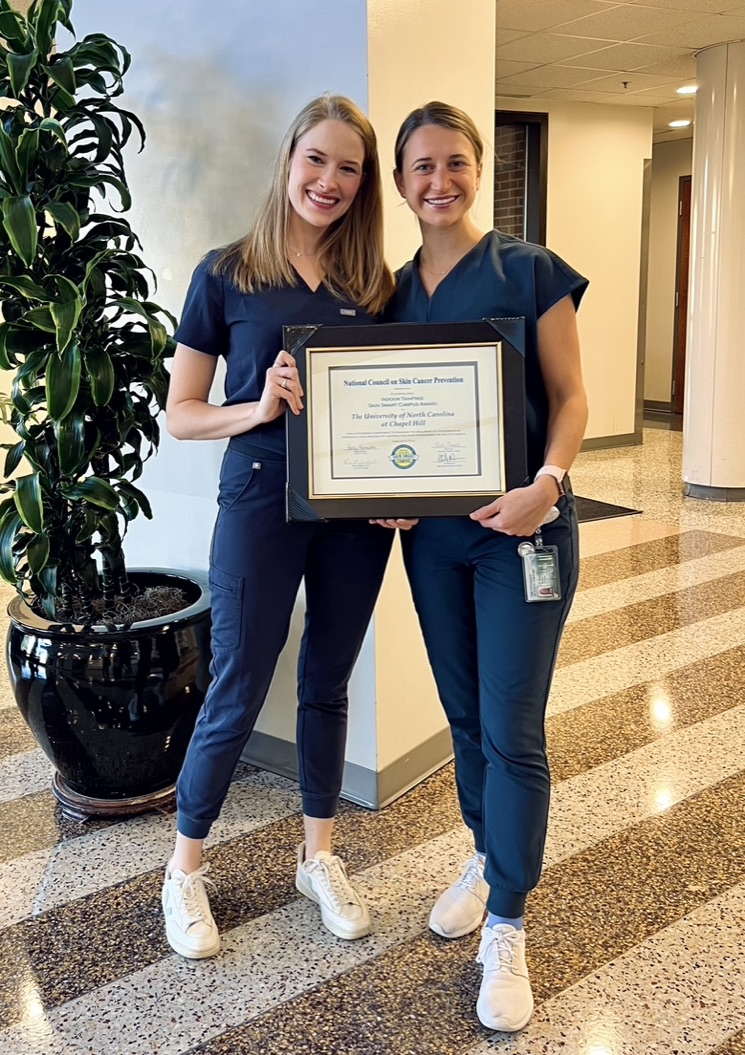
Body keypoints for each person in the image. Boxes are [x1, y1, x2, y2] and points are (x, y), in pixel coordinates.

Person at [161, 94, 400, 959]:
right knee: (237, 682)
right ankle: (183, 870)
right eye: (317, 159)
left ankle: (317, 857)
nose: (329, 181)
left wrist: (404, 484)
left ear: (363, 184)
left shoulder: (377, 286)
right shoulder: (226, 272)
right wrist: (255, 407)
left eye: (349, 169)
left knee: (327, 682)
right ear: (289, 158)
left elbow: (399, 401)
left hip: (354, 517)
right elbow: (181, 413)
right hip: (260, 500)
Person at [386, 102, 589, 1032]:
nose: (440, 181)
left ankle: (507, 919)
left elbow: (570, 397)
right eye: (421, 166)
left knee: (511, 728)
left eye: (455, 162)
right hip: (432, 539)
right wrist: (377, 490)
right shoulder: (391, 295)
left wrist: (546, 485)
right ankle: (485, 852)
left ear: (479, 170)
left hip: (524, 533)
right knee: (464, 715)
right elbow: (384, 416)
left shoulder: (529, 269)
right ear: (399, 183)